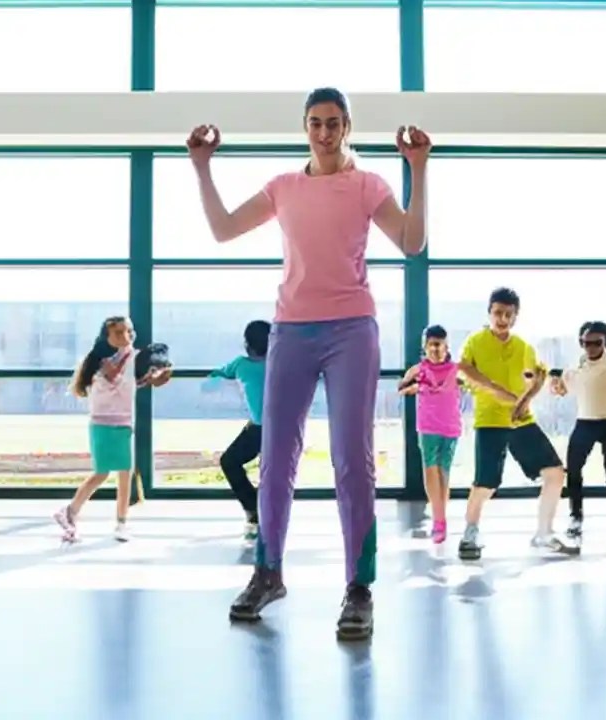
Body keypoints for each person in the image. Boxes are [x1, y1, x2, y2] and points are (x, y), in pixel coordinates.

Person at [188, 87, 431, 640]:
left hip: (352, 330)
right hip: (291, 330)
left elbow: (412, 241)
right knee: (276, 456)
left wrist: (418, 168)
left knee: (352, 459)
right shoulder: (284, 187)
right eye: (316, 123)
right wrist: (201, 167)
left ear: (348, 127)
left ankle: (359, 588)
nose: (325, 132)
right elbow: (224, 228)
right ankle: (267, 573)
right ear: (305, 127)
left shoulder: (369, 185)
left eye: (334, 123)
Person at [456, 288, 579, 561]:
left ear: (515, 317)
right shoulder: (475, 341)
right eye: (498, 313)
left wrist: (526, 399)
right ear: (489, 313)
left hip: (522, 422)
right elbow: (464, 369)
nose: (502, 319)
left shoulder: (524, 347)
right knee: (486, 483)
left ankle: (544, 534)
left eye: (508, 315)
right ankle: (470, 532)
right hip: (490, 421)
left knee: (556, 473)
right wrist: (501, 393)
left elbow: (538, 376)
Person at [54, 316, 171, 543]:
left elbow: (145, 376)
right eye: (118, 333)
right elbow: (111, 382)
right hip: (101, 424)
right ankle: (69, 512)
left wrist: (158, 376)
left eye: (128, 331)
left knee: (124, 473)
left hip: (124, 423)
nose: (125, 336)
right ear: (106, 337)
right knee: (101, 473)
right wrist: (116, 374)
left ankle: (121, 523)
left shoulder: (132, 358)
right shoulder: (99, 362)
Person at [550, 321, 606, 540]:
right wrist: (554, 383)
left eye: (596, 343)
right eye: (585, 343)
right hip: (585, 422)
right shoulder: (575, 368)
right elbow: (561, 388)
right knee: (574, 469)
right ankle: (576, 517)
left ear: (605, 342)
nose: (591, 347)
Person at [205, 320, 270, 543]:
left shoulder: (240, 365)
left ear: (246, 344)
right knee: (272, 474)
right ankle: (257, 511)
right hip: (278, 430)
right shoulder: (280, 363)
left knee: (229, 462)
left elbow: (213, 380)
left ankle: (253, 510)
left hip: (259, 428)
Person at [398, 325, 461, 543]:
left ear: (446, 346)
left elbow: (472, 385)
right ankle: (438, 520)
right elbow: (401, 388)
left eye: (440, 345)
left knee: (444, 473)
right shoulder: (418, 369)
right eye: (432, 345)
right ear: (425, 347)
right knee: (430, 470)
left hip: (451, 428)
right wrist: (416, 387)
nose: (436, 350)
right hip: (428, 427)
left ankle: (441, 517)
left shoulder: (456, 369)